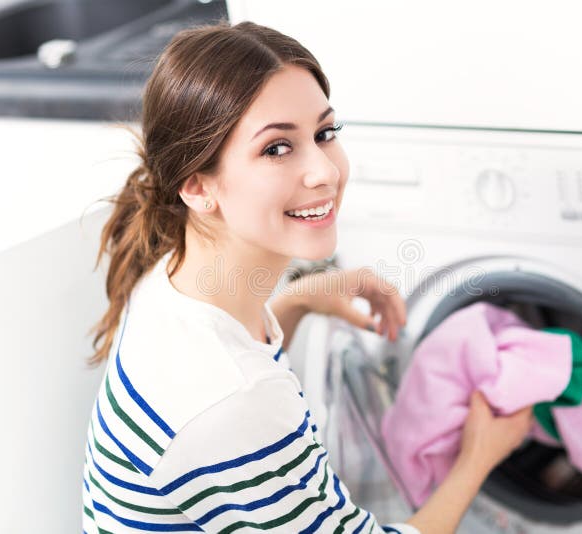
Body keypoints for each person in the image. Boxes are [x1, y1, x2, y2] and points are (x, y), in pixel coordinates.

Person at [82, 19, 533, 534]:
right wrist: (476, 459)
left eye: (325, 133)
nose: (325, 171)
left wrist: (299, 300)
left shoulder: (168, 279)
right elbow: (236, 401)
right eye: (277, 148)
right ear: (197, 186)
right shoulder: (232, 401)